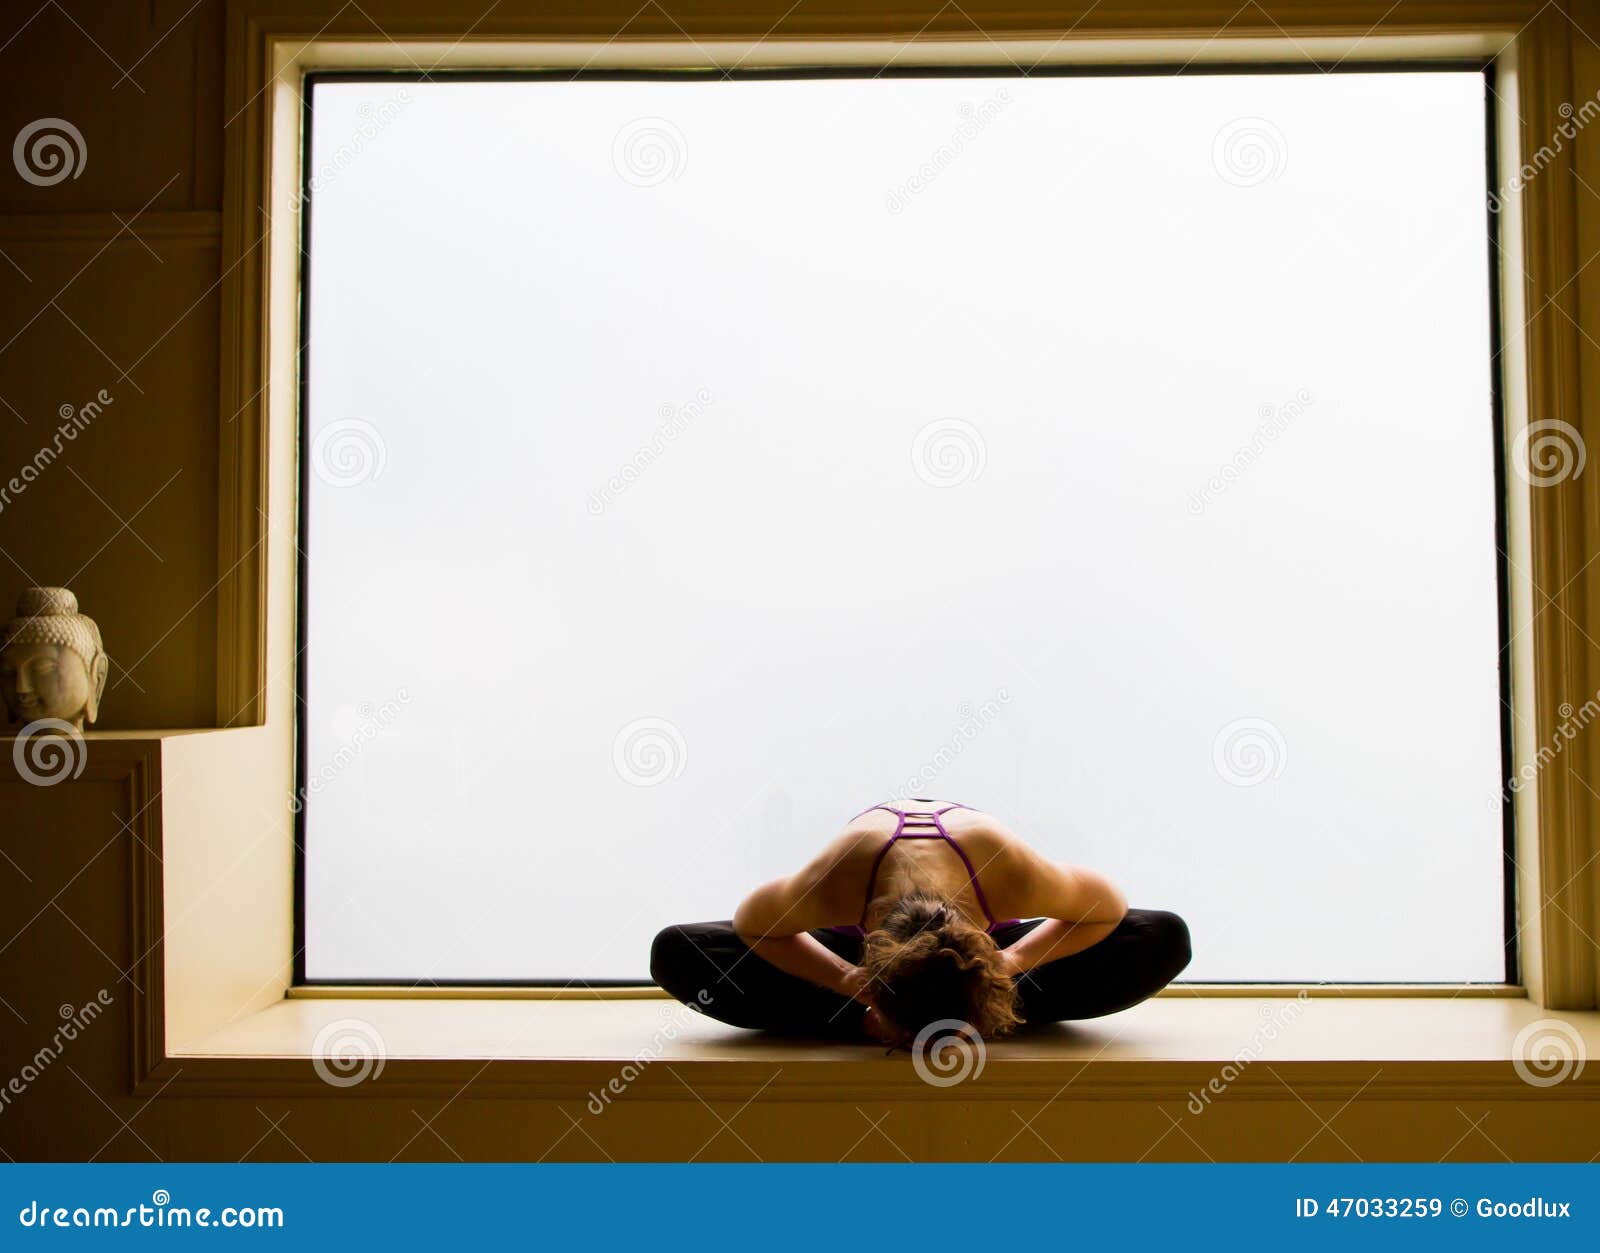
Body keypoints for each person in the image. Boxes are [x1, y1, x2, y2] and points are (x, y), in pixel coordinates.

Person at [650, 799, 1191, 1044]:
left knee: (1161, 936)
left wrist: (1014, 960)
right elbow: (753, 924)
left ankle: (937, 1012)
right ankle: (938, 1013)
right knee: (679, 951)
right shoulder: (841, 876)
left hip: (989, 957)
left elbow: (1108, 908)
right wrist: (847, 980)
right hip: (859, 961)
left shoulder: (1001, 865)